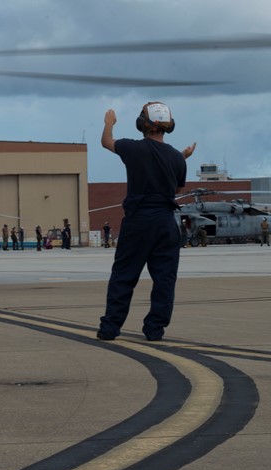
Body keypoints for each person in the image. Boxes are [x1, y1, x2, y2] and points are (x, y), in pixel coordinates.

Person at [96, 102, 196, 342]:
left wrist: (109, 123)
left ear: (143, 123)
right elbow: (176, 187)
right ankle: (155, 330)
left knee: (124, 275)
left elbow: (107, 142)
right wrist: (181, 157)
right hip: (166, 222)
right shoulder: (175, 157)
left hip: (139, 221)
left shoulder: (133, 148)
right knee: (164, 279)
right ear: (168, 126)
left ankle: (110, 328)